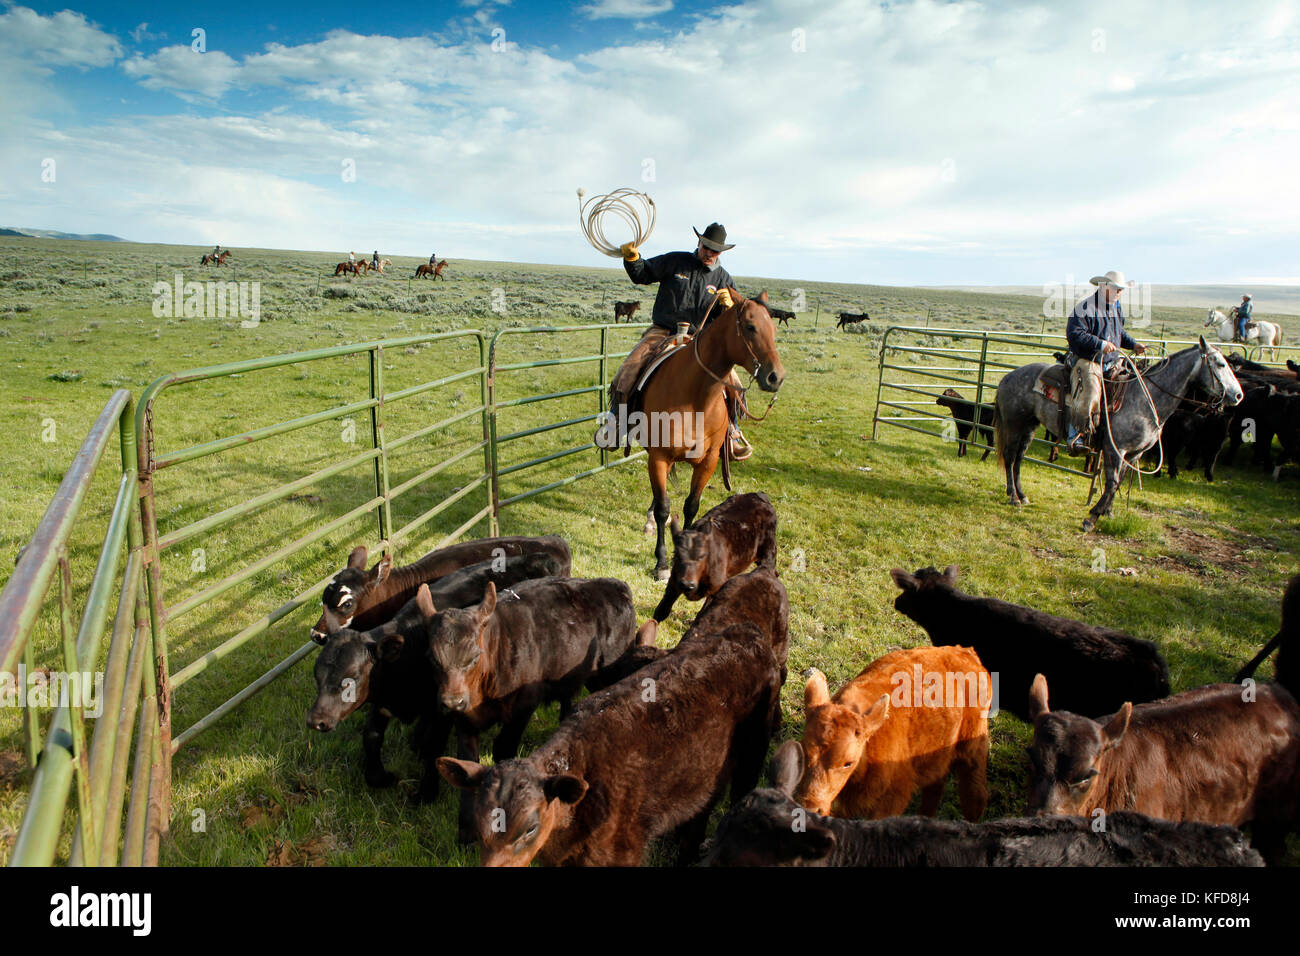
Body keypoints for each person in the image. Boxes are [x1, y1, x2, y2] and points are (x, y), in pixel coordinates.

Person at [599, 222, 751, 459]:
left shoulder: (724, 279)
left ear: (721, 253)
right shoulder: (675, 261)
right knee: (629, 367)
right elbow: (644, 273)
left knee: (734, 384)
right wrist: (632, 258)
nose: (709, 253)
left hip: (702, 340)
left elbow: (734, 321)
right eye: (706, 247)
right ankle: (615, 423)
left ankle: (731, 433)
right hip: (663, 331)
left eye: (715, 250)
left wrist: (729, 307)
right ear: (699, 243)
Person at [1063, 270, 1147, 454]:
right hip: (1087, 360)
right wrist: (1100, 344)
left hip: (1111, 362)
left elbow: (1119, 333)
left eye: (1121, 289)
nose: (1119, 292)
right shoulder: (1084, 309)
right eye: (1116, 288)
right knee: (1090, 390)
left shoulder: (1116, 308)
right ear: (1104, 287)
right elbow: (1075, 335)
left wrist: (1133, 344)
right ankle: (1076, 436)